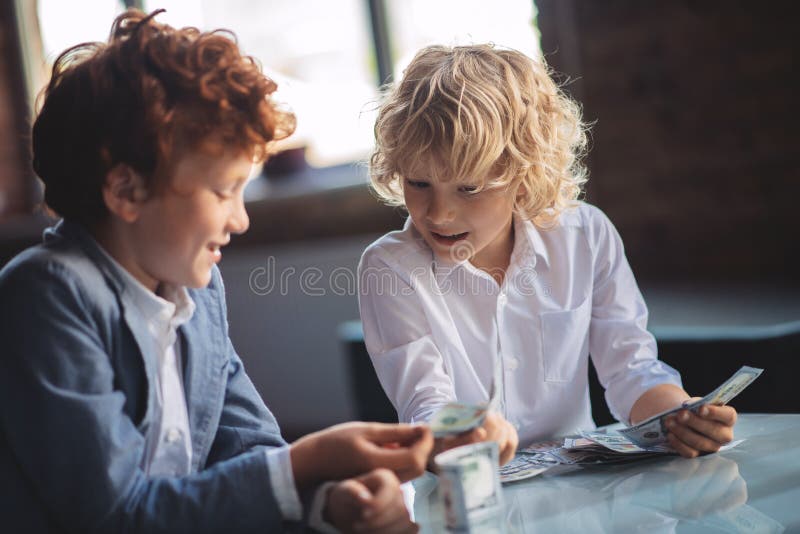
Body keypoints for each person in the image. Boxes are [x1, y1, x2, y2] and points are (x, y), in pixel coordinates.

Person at [0, 10, 432, 533]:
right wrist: (307, 463)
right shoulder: (45, 296)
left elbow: (250, 450)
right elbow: (111, 516)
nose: (240, 219)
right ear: (126, 190)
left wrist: (335, 500)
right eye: (223, 191)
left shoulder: (196, 294)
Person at [358, 44, 736, 462]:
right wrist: (464, 433)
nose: (439, 213)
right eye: (418, 183)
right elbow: (426, 404)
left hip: (583, 505)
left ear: (525, 174)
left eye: (468, 188)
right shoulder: (391, 269)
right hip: (465, 493)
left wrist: (680, 417)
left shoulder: (585, 236)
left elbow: (631, 368)